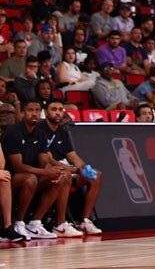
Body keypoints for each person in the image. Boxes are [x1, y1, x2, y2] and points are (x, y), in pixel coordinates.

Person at [3, 99, 77, 238]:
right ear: (24, 112)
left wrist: (52, 171)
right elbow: (17, 166)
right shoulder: (14, 132)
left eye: (37, 111)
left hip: (34, 176)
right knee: (30, 179)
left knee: (62, 175)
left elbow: (44, 162)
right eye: (30, 110)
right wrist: (45, 172)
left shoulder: (40, 134)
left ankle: (35, 223)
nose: (34, 114)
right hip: (12, 179)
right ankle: (19, 223)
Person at [36, 98, 103, 234]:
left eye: (60, 110)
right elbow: (49, 158)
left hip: (68, 169)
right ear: (46, 112)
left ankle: (85, 221)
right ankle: (60, 223)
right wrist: (72, 169)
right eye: (54, 110)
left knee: (96, 175)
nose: (58, 113)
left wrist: (83, 166)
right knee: (65, 175)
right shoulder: (40, 130)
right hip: (50, 170)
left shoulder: (62, 130)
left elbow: (72, 155)